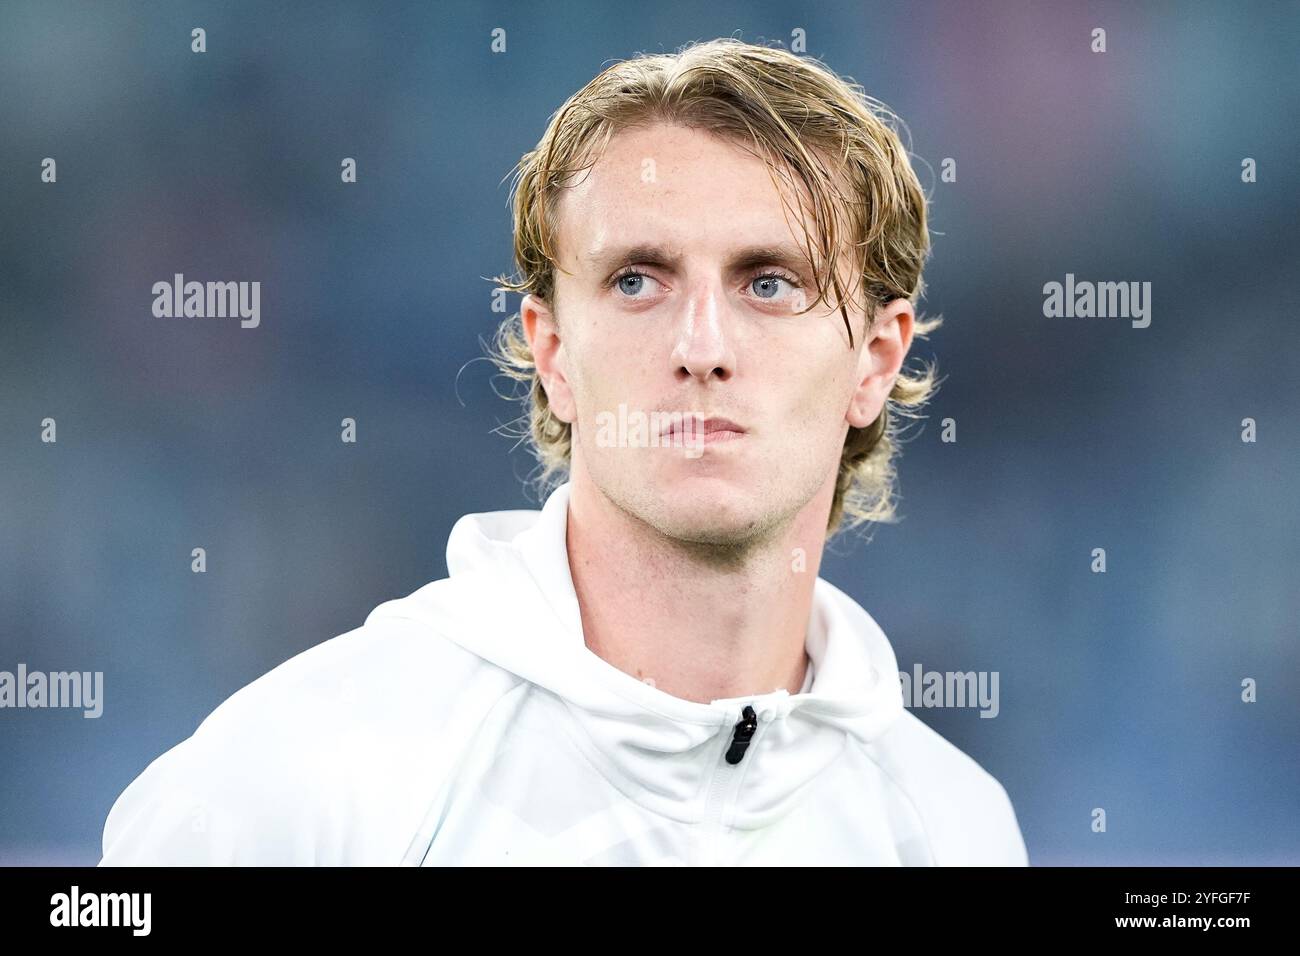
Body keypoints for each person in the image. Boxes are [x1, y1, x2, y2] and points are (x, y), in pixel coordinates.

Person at [99, 37, 1028, 866]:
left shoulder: (953, 828)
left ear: (876, 360)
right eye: (637, 280)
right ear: (552, 353)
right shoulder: (299, 785)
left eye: (770, 283)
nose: (701, 346)